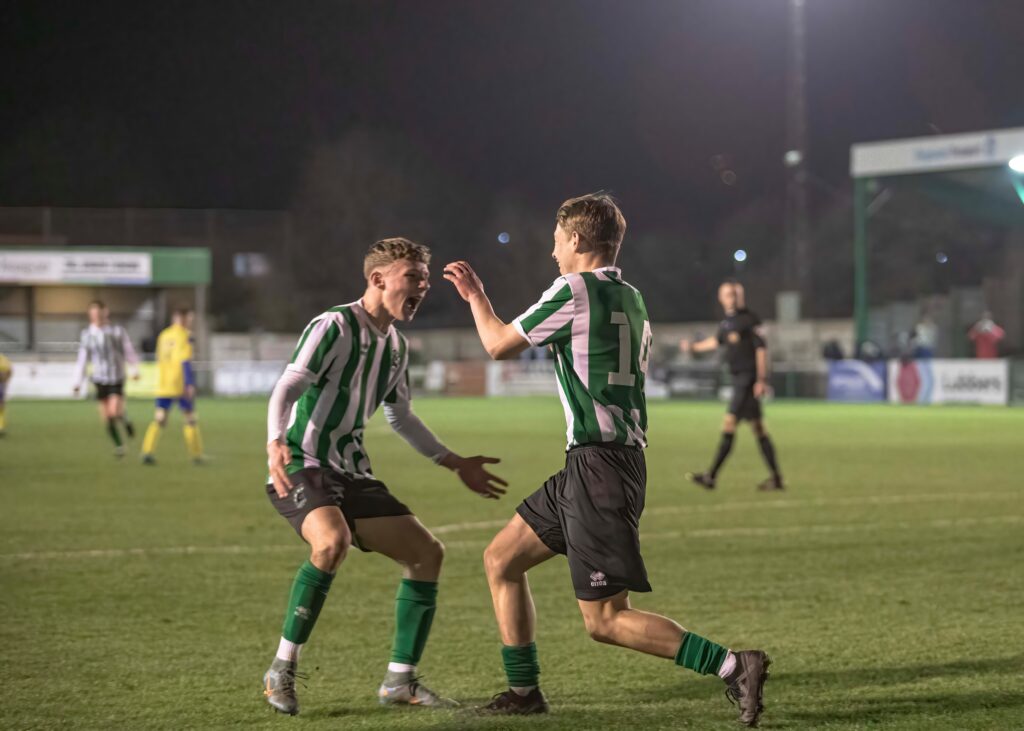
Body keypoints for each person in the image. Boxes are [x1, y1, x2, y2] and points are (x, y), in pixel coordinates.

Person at [444, 194, 770, 727]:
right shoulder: (632, 297)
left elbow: (499, 344)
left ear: (575, 240)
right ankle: (523, 690)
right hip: (598, 465)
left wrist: (477, 296)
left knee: (605, 620)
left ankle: (734, 665)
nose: (552, 253)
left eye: (555, 241)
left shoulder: (573, 290)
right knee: (501, 560)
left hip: (599, 470)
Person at [261, 238, 508, 716]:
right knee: (330, 543)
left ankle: (400, 681)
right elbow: (288, 386)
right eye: (412, 277)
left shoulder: (396, 345)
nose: (422, 286)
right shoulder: (333, 325)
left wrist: (453, 461)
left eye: (424, 279)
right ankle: (282, 669)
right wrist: (275, 442)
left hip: (351, 470)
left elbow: (402, 418)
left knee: (426, 553)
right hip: (302, 461)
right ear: (378, 280)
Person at [680, 281, 783, 491]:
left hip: (747, 380)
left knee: (729, 424)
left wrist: (762, 380)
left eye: (735, 294)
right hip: (739, 379)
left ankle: (711, 476)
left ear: (741, 296)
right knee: (759, 429)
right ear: (721, 298)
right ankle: (777, 479)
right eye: (728, 294)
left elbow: (761, 349)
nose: (732, 298)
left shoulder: (750, 320)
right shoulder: (727, 323)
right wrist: (693, 348)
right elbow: (716, 341)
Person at [71, 301, 140, 457]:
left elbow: (128, 351)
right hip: (99, 379)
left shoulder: (117, 332)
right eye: (94, 313)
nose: (97, 316)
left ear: (106, 312)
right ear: (90, 314)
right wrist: (77, 382)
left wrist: (134, 368)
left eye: (99, 313)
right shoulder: (87, 335)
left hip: (116, 377)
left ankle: (124, 418)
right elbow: (82, 359)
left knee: (114, 411)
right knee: (107, 417)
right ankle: (119, 446)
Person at [141, 307, 203, 464]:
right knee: (190, 418)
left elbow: (160, 358)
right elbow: (185, 362)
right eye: (189, 319)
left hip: (164, 384)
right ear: (182, 318)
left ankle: (147, 452)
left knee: (160, 418)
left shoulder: (163, 335)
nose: (190, 322)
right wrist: (189, 383)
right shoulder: (185, 336)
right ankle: (196, 455)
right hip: (180, 384)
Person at [0, 353, 11, 436]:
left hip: (1, 385)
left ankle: (1, 426)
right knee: (1, 406)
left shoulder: (3, 359)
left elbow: (9, 372)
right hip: (2, 385)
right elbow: (9, 372)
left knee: (2, 406)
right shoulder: (4, 359)